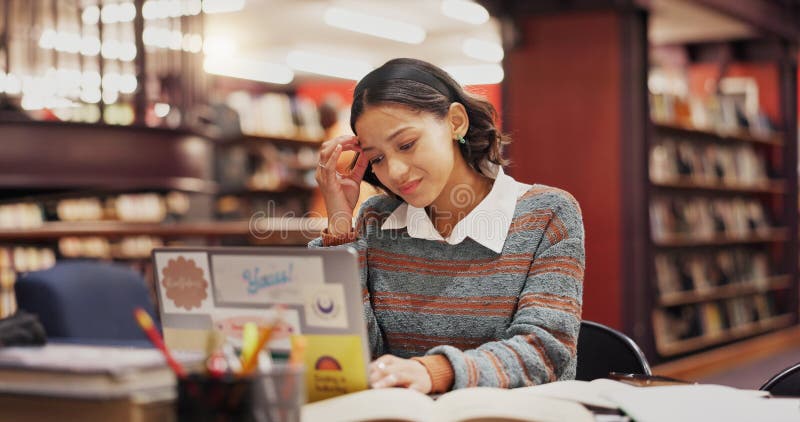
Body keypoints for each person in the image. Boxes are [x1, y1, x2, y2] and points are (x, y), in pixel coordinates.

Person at [309, 58, 584, 394]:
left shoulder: (547, 214)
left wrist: (435, 371)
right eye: (377, 158)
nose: (394, 171)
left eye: (406, 145)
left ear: (455, 122)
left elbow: (544, 351)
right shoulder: (376, 219)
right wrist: (339, 224)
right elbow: (350, 355)